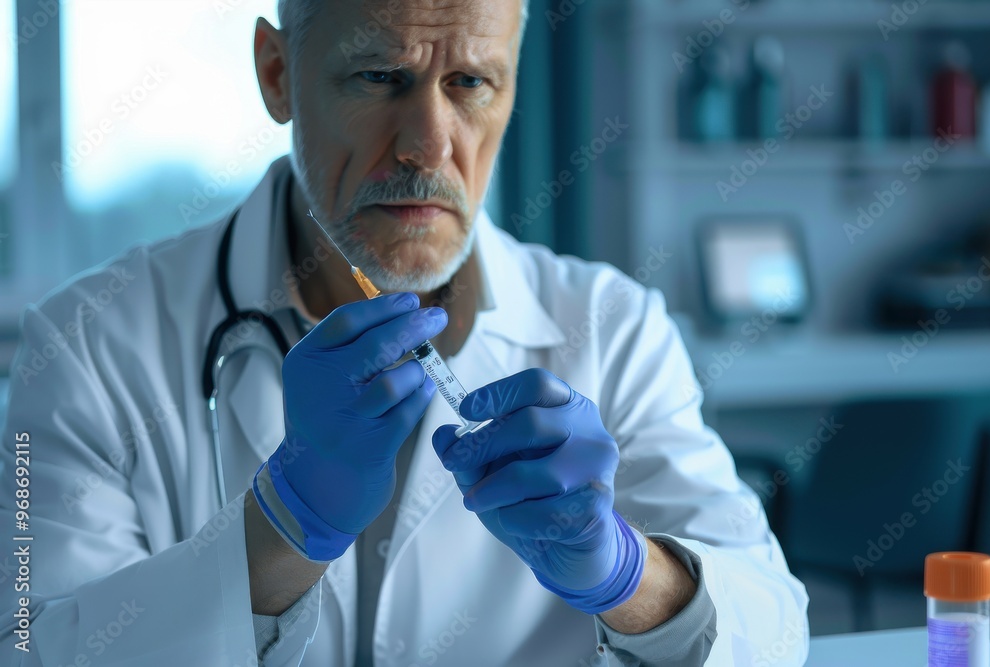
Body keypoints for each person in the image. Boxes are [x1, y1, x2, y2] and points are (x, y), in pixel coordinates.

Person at [0, 0, 809, 665]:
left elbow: (775, 630)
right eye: (380, 75)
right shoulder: (86, 341)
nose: (429, 143)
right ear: (277, 75)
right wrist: (278, 531)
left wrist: (625, 574)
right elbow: (25, 645)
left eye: (470, 81)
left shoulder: (614, 329)